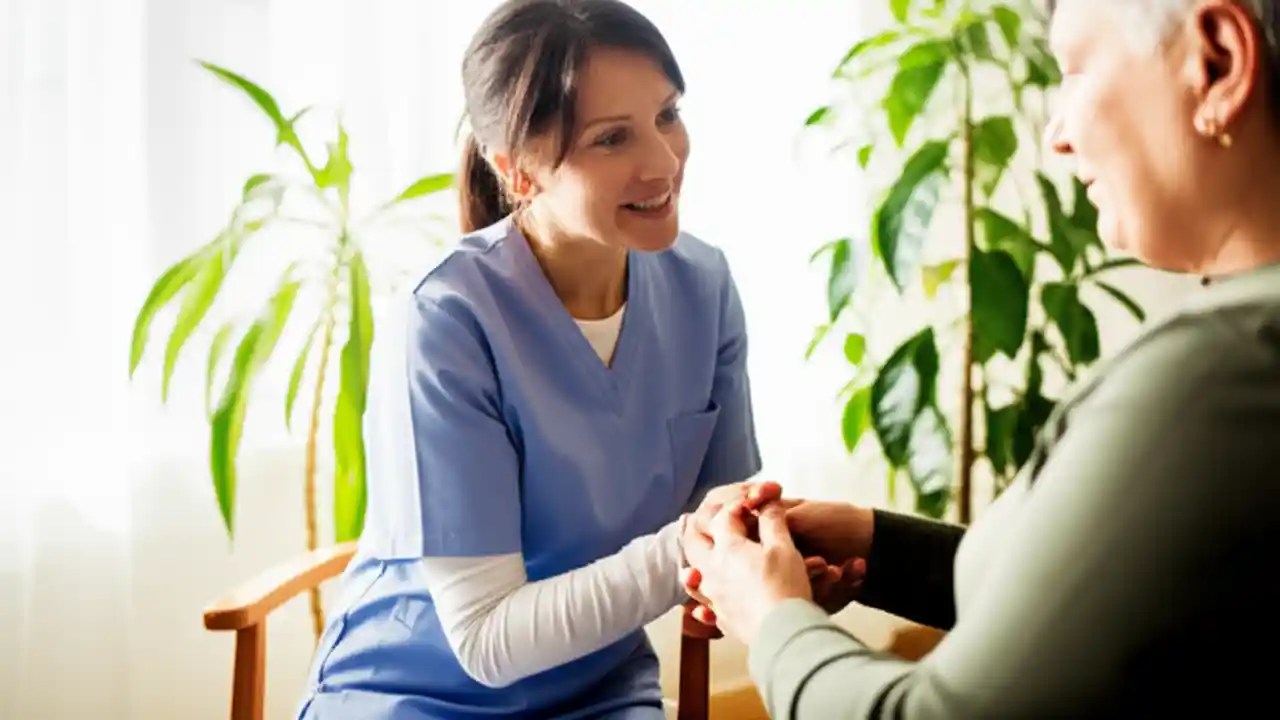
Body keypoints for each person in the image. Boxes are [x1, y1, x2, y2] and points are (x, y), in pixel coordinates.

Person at [681, 0, 1280, 717]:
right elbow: (1084, 610)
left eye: (1076, 70)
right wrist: (876, 544)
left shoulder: (1217, 376)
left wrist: (771, 620)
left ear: (1216, 62)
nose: (1056, 136)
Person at [293, 1, 772, 717]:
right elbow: (487, 641)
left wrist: (768, 565)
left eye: (667, 115)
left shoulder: (704, 288)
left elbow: (723, 525)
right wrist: (692, 550)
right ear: (518, 173)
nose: (664, 161)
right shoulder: (446, 322)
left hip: (599, 690)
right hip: (412, 694)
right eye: (612, 139)